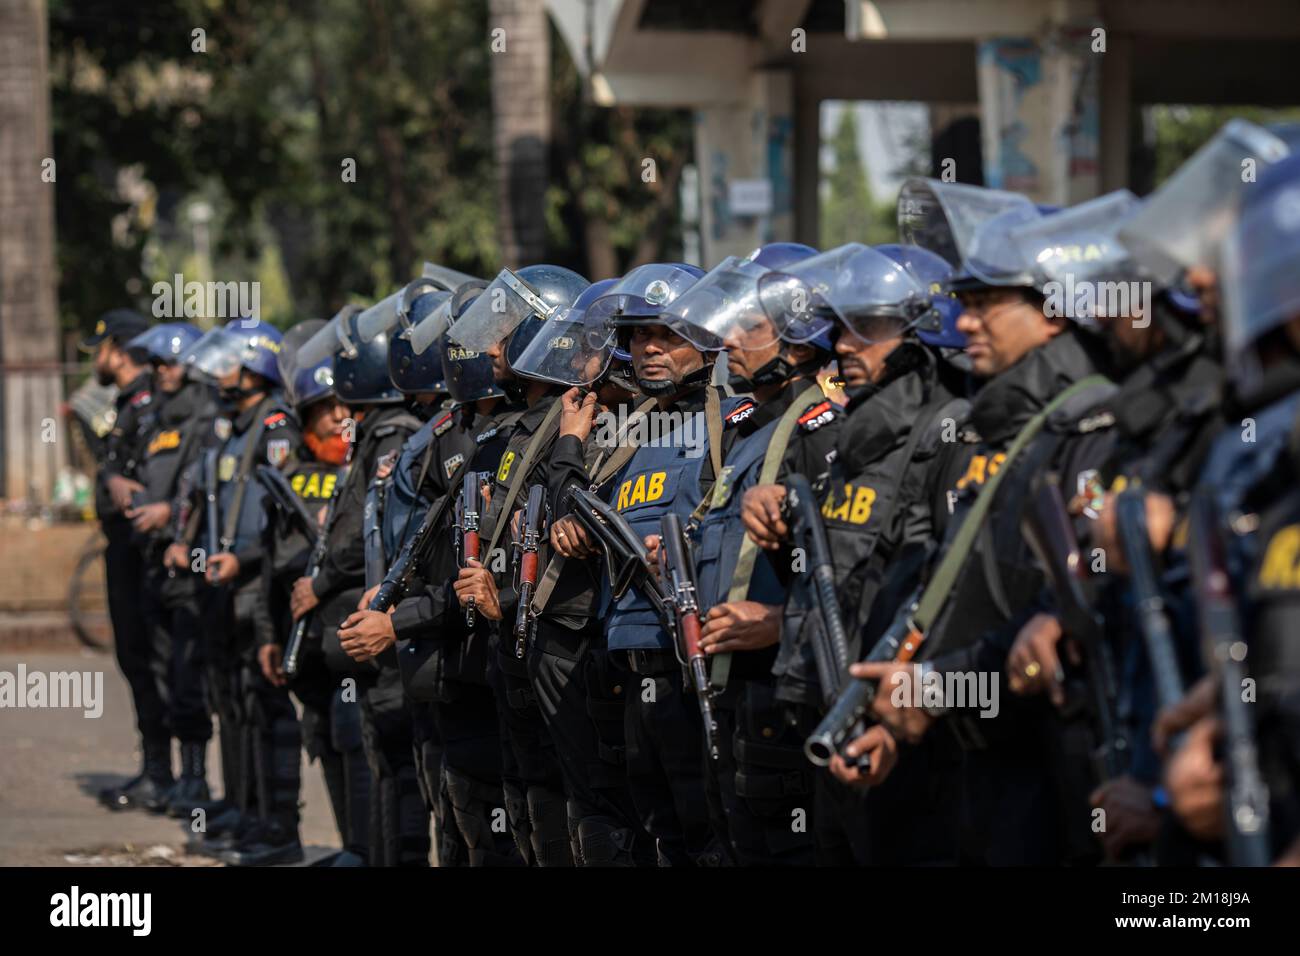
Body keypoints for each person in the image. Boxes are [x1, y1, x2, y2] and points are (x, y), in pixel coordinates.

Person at [164, 319, 304, 864]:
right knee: (231, 698)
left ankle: (279, 825)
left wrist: (242, 558)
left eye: (230, 363)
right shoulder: (232, 425)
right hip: (221, 585)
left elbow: (282, 520)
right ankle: (245, 806)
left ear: (255, 366)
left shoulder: (274, 427)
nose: (220, 373)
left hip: (255, 583)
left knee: (263, 700)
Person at [120, 321, 214, 816]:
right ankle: (169, 776)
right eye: (155, 365)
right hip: (152, 561)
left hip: (189, 565)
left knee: (187, 675)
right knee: (158, 670)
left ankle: (196, 780)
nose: (161, 373)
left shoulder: (205, 415)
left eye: (169, 364)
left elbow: (200, 490)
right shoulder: (154, 417)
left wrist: (172, 520)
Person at [82, 309, 173, 811]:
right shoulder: (129, 402)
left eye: (99, 348)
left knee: (153, 659)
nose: (96, 360)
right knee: (136, 658)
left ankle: (168, 776)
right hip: (126, 550)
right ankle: (158, 770)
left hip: (144, 551)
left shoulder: (148, 401)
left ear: (118, 349)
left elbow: (145, 480)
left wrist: (117, 482)